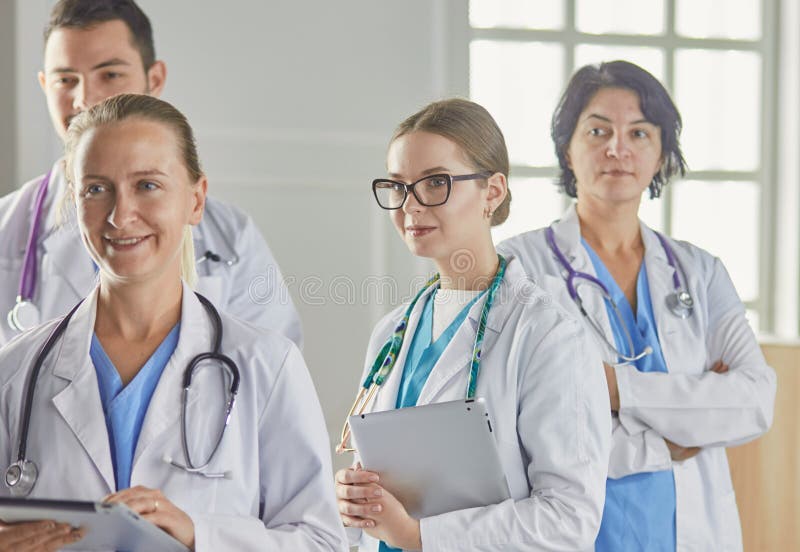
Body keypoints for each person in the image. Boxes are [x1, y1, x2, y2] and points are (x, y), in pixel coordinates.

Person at [0, 94, 347, 552]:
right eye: (96, 188)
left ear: (196, 200)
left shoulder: (265, 364)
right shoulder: (17, 370)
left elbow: (322, 541)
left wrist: (199, 535)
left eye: (147, 185)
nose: (121, 215)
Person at [498, 60, 777, 551]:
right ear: (567, 148)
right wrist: (666, 437)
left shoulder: (701, 271)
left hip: (692, 534)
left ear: (661, 153)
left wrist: (616, 390)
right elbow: (523, 429)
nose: (617, 149)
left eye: (639, 133)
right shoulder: (519, 267)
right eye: (598, 130)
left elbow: (752, 401)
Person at [334, 98, 611, 551]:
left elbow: (569, 519)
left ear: (493, 192)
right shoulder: (392, 333)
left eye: (435, 183)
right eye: (399, 186)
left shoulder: (548, 336)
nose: (411, 207)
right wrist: (358, 501)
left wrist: (419, 536)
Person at [0, 0, 302, 348]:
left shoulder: (230, 237)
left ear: (154, 78)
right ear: (44, 85)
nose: (84, 99)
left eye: (110, 74)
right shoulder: (8, 230)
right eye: (66, 80)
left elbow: (271, 370)